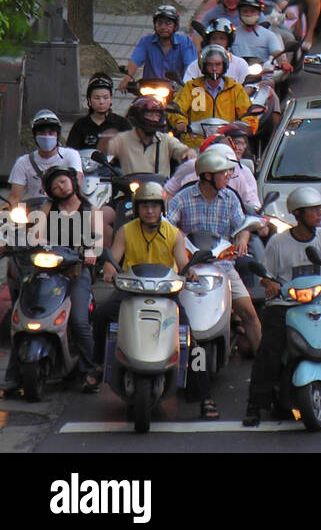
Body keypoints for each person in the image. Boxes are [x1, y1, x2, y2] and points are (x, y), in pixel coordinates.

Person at [92, 182, 223, 417]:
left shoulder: (173, 233)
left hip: (166, 294)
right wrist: (110, 268)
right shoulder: (126, 230)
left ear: (161, 208)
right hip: (131, 291)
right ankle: (97, 364)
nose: (149, 211)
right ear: (137, 208)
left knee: (193, 343)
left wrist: (189, 271)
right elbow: (114, 258)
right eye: (144, 206)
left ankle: (207, 398)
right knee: (101, 315)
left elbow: (182, 263)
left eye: (154, 206)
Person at [242, 186, 321, 426]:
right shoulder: (278, 242)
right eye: (313, 210)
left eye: (319, 209)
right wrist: (270, 284)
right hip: (285, 303)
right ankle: (256, 405)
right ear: (298, 214)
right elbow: (265, 274)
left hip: (320, 301)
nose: (319, 214)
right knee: (270, 349)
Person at [3, 167, 102, 397]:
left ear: (73, 183)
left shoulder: (90, 210)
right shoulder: (48, 209)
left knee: (78, 319)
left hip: (76, 271)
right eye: (55, 186)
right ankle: (14, 374)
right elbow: (34, 235)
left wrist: (91, 251)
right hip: (46, 267)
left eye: (63, 182)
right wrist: (35, 240)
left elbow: (97, 241)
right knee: (21, 316)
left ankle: (89, 370)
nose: (60, 187)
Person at [167, 146, 262, 355]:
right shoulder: (182, 199)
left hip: (223, 266)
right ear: (208, 175)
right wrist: (178, 238)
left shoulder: (229, 199)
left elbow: (242, 226)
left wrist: (242, 239)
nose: (228, 176)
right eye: (223, 172)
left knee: (250, 314)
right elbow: (167, 227)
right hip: (188, 267)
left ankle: (263, 367)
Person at [172, 46, 253, 149]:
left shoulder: (235, 88)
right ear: (203, 66)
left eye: (218, 64)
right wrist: (180, 122)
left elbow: (248, 113)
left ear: (224, 65)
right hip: (195, 143)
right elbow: (177, 109)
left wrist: (246, 125)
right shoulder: (191, 87)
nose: (214, 68)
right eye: (209, 64)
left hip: (226, 143)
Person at [103, 97, 195, 181]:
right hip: (129, 192)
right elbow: (104, 156)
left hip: (159, 193)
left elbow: (180, 149)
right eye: (150, 115)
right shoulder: (123, 139)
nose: (154, 119)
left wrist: (188, 153)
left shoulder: (166, 139)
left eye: (157, 116)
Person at [165, 132, 261, 213]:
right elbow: (167, 194)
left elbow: (252, 206)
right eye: (222, 170)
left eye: (230, 168)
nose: (228, 175)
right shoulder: (184, 196)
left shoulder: (233, 196)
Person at [7, 110, 84, 206]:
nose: (46, 137)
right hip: (33, 212)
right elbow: (14, 198)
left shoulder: (71, 155)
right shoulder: (23, 162)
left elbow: (77, 183)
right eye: (42, 133)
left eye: (51, 133)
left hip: (63, 209)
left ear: (57, 135)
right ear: (35, 136)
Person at [119, 5, 197, 91]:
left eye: (168, 23)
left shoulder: (185, 42)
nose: (163, 27)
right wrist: (127, 78)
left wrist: (186, 87)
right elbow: (135, 60)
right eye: (160, 23)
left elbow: (191, 67)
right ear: (155, 25)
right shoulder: (146, 41)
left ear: (175, 26)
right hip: (149, 90)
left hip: (177, 92)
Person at [67, 75, 132, 152]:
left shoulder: (122, 124)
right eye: (97, 98)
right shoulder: (80, 125)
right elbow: (71, 152)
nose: (101, 102)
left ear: (111, 99)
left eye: (106, 98)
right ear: (89, 101)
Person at [183, 18, 250, 85]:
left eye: (222, 38)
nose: (218, 42)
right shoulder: (196, 65)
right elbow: (186, 87)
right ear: (209, 41)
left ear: (228, 41)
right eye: (214, 38)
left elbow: (248, 87)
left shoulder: (240, 64)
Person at [232, 0, 289, 68]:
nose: (249, 14)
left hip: (263, 75)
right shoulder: (232, 35)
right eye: (245, 11)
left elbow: (277, 52)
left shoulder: (269, 35)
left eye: (253, 11)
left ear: (259, 13)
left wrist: (283, 63)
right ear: (239, 13)